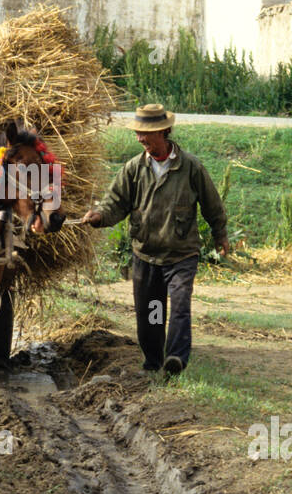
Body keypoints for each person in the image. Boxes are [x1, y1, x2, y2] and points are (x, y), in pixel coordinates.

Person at [81, 104, 230, 376]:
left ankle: (175, 358)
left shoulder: (191, 167)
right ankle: (153, 362)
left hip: (181, 254)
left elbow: (212, 204)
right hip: (146, 254)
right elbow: (115, 203)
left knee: (181, 304)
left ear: (164, 131)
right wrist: (99, 216)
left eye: (145, 133)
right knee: (153, 313)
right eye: (138, 133)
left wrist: (220, 233)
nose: (140, 139)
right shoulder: (134, 169)